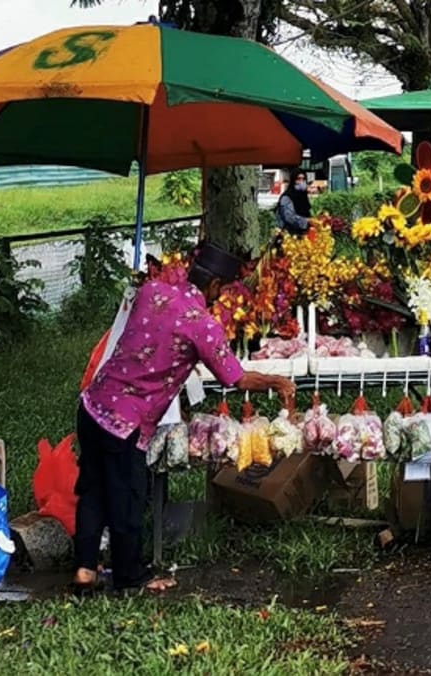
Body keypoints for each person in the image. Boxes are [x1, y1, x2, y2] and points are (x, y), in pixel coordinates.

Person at [72, 243, 297, 595]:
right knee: (127, 497)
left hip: (92, 405)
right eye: (222, 291)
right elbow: (234, 378)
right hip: (125, 422)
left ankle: (85, 570)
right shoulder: (201, 325)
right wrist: (276, 382)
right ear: (215, 287)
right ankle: (130, 578)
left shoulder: (152, 291)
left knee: (92, 490)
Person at [276, 171, 312, 235]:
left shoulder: (303, 197)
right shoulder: (287, 197)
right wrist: (307, 221)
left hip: (303, 235)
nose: (301, 182)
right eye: (298, 179)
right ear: (293, 180)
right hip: (289, 237)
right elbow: (289, 217)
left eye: (303, 179)